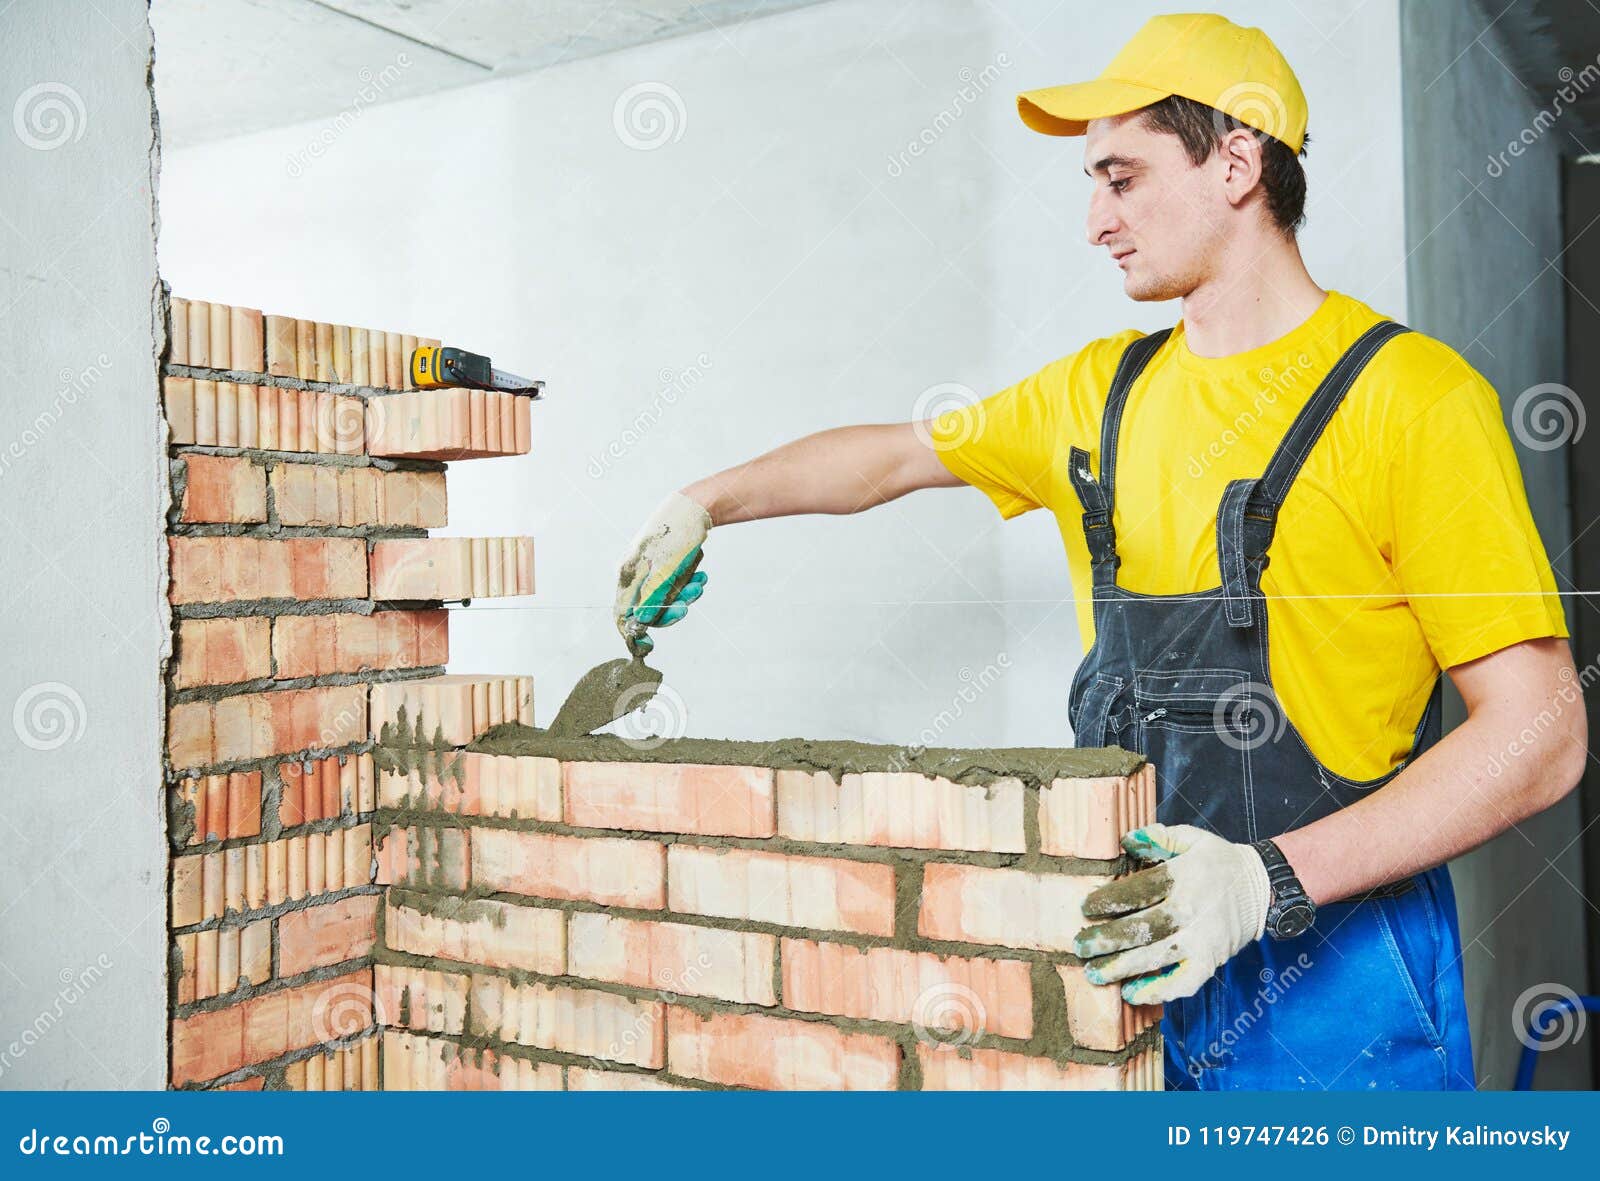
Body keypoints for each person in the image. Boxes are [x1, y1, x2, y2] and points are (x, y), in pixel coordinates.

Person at [612, 13, 1584, 1090]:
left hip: (1339, 987)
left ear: (1235, 161)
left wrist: (1260, 883)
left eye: (1119, 178)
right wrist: (702, 500)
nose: (1093, 221)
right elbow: (888, 460)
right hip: (1131, 960)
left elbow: (1541, 733)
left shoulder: (1411, 400)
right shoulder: (1096, 394)